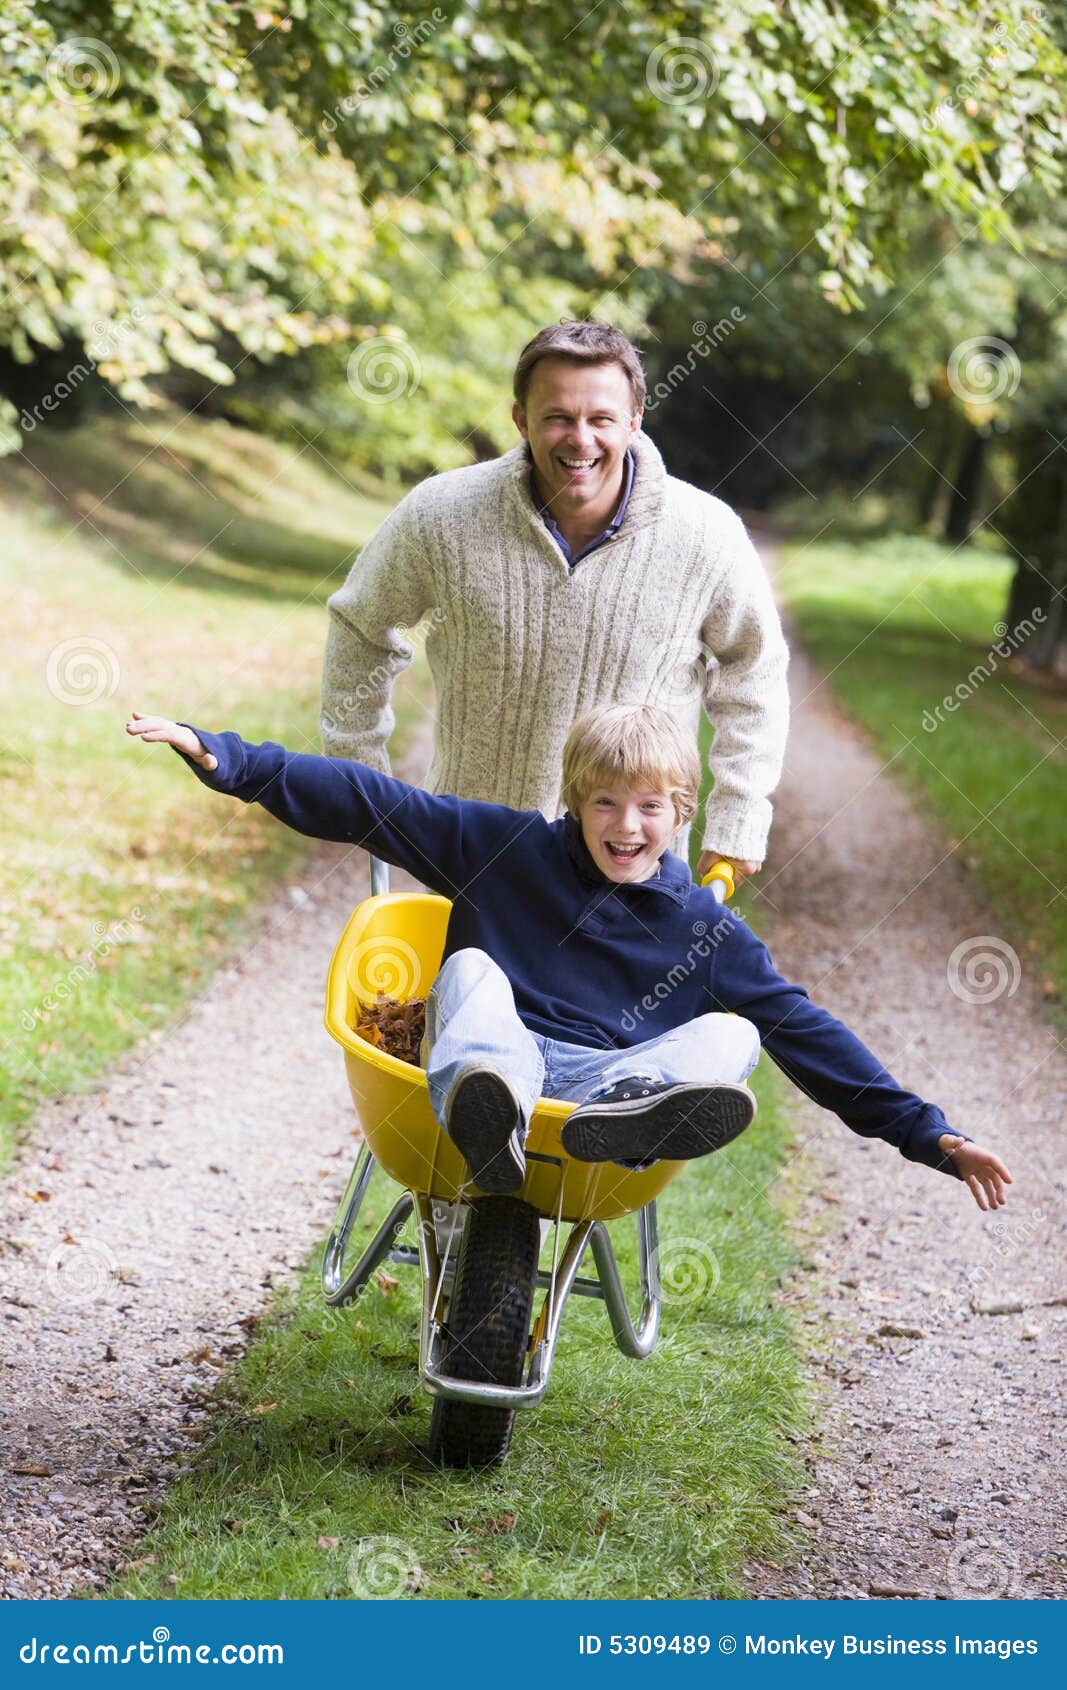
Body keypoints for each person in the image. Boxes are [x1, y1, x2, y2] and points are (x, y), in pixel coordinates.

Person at [125, 703, 1012, 1215]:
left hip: (604, 1086)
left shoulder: (702, 929)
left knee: (738, 1034)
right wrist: (227, 757)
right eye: (605, 804)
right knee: (468, 971)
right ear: (576, 802)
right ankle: (493, 1112)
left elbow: (807, 1034)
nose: (627, 827)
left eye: (650, 808)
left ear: (680, 813)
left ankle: (631, 1114)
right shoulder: (504, 848)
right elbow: (370, 802)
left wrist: (929, 1135)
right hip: (491, 1050)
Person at [320, 319, 790, 886]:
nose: (580, 440)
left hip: (635, 870)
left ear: (635, 420)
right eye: (558, 418)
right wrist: (358, 777)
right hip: (473, 862)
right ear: (521, 419)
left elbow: (753, 671)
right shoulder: (441, 516)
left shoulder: (705, 534)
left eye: (601, 419)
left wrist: (740, 815)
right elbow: (361, 626)